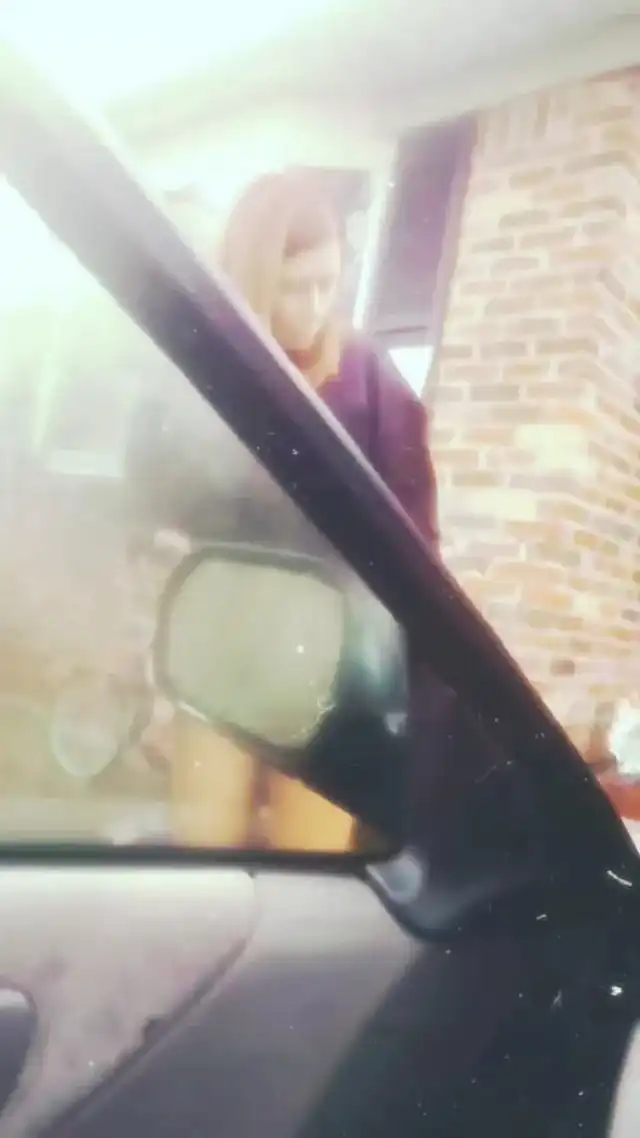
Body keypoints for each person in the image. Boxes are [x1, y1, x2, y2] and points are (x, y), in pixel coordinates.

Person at [158, 169, 440, 851]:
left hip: (332, 661)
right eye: (293, 286)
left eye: (327, 283)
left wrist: (418, 677)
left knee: (311, 870)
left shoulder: (373, 383)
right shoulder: (204, 370)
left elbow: (417, 544)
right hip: (222, 647)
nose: (314, 305)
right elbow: (161, 509)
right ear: (251, 278)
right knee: (203, 855)